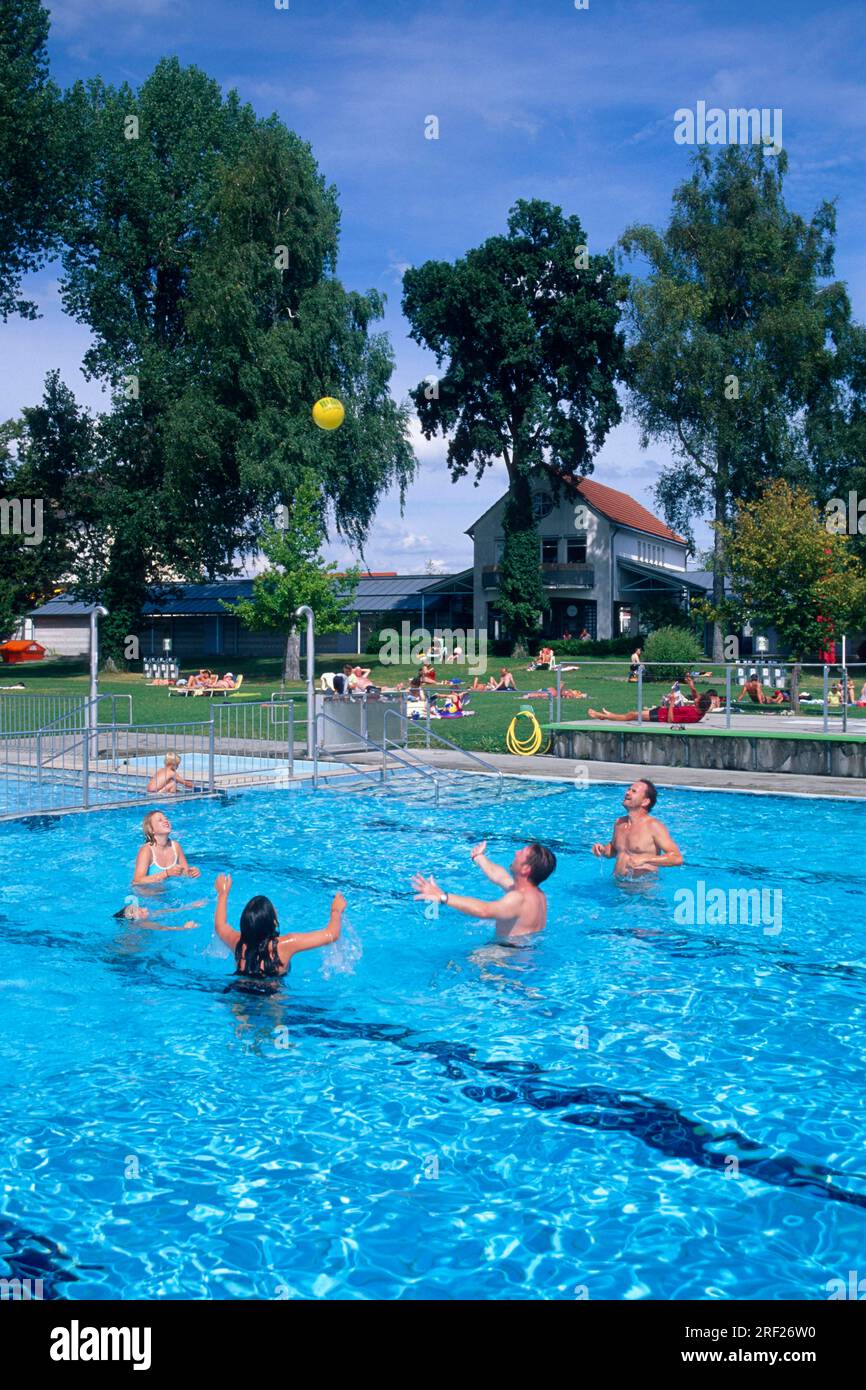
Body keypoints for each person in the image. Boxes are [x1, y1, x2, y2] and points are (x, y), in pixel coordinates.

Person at [411, 840, 557, 946]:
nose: (516, 852)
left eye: (522, 853)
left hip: (507, 956)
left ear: (526, 869)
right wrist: (479, 857)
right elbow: (500, 876)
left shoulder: (518, 898)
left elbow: (484, 910)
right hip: (526, 950)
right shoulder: (535, 893)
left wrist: (442, 896)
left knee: (454, 966)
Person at [213, 874, 346, 981]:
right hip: (272, 1000)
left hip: (239, 992)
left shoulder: (237, 942)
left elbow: (220, 925)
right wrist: (336, 911)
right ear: (274, 923)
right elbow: (332, 934)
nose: (276, 909)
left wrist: (223, 894)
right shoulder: (285, 945)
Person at [591, 780, 683, 877]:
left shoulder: (653, 826)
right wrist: (603, 850)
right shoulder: (619, 823)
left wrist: (646, 858)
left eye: (633, 791)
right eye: (629, 789)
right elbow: (615, 850)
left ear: (645, 802)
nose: (627, 793)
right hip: (617, 884)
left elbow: (677, 858)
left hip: (642, 887)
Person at [589, 673, 719, 724]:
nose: (695, 698)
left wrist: (672, 703)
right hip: (660, 712)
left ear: (699, 703)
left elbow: (671, 720)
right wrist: (692, 686)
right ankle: (610, 715)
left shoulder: (692, 713)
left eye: (698, 698)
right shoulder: (699, 711)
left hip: (661, 716)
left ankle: (602, 716)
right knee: (633, 713)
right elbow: (697, 697)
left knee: (632, 715)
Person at [133, 810, 201, 884]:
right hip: (149, 894)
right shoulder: (146, 850)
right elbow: (137, 881)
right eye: (160, 820)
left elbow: (185, 873)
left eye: (166, 819)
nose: (166, 821)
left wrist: (192, 873)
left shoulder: (175, 846)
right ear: (151, 829)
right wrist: (166, 873)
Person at [113, 896, 205, 930]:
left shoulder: (144, 917)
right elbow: (163, 928)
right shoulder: (142, 923)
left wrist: (189, 906)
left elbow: (165, 911)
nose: (145, 908)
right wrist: (184, 928)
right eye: (141, 911)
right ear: (134, 919)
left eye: (141, 907)